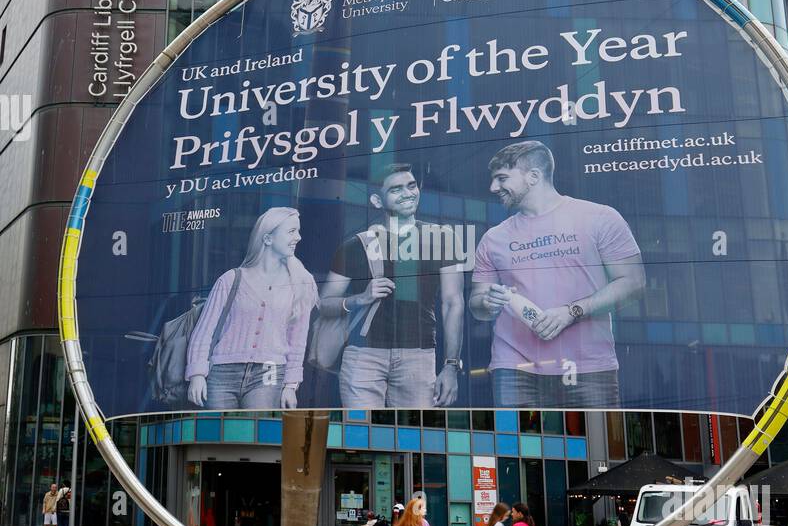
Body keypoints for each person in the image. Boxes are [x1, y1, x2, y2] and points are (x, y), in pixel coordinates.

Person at [469, 141, 645, 408]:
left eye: (502, 178)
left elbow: (633, 283)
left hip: (588, 366)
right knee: (517, 450)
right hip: (515, 367)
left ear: (534, 177)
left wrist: (571, 311)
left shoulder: (600, 217)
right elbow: (477, 305)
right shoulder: (493, 238)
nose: (494, 188)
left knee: (598, 449)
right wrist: (486, 302)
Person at [319, 165, 466, 408]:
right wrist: (358, 299)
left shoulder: (443, 238)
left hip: (418, 356)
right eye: (396, 189)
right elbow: (324, 304)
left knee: (415, 437)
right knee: (362, 435)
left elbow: (453, 303)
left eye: (411, 185)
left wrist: (451, 366)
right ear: (377, 200)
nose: (408, 193)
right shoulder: (355, 246)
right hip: (363, 356)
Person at [186, 208, 317, 410]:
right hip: (222, 371)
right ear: (267, 238)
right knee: (219, 435)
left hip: (269, 371)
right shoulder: (231, 279)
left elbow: (297, 341)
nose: (298, 237)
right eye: (291, 231)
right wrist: (196, 374)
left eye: (297, 231)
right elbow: (204, 330)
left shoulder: (300, 284)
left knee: (256, 433)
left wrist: (291, 385)